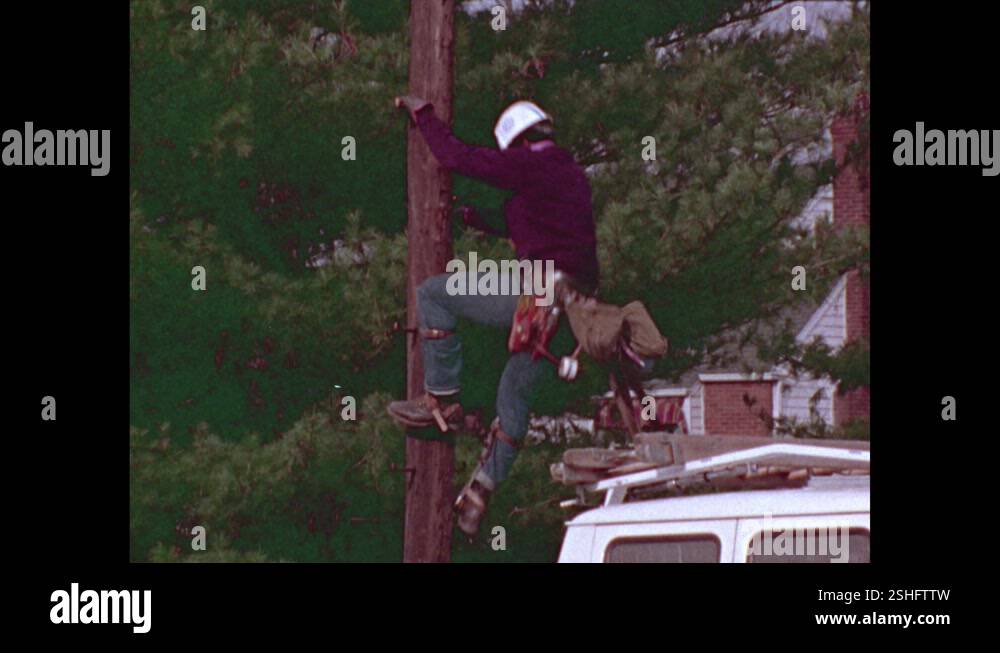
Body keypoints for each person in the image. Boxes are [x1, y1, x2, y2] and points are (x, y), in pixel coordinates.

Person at [389, 96, 599, 536]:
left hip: (539, 287)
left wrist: (423, 116)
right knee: (513, 396)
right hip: (573, 308)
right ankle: (481, 491)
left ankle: (441, 398)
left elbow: (457, 157)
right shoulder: (569, 174)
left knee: (435, 295)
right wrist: (470, 216)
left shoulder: (533, 163)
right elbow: (519, 219)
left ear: (521, 141)